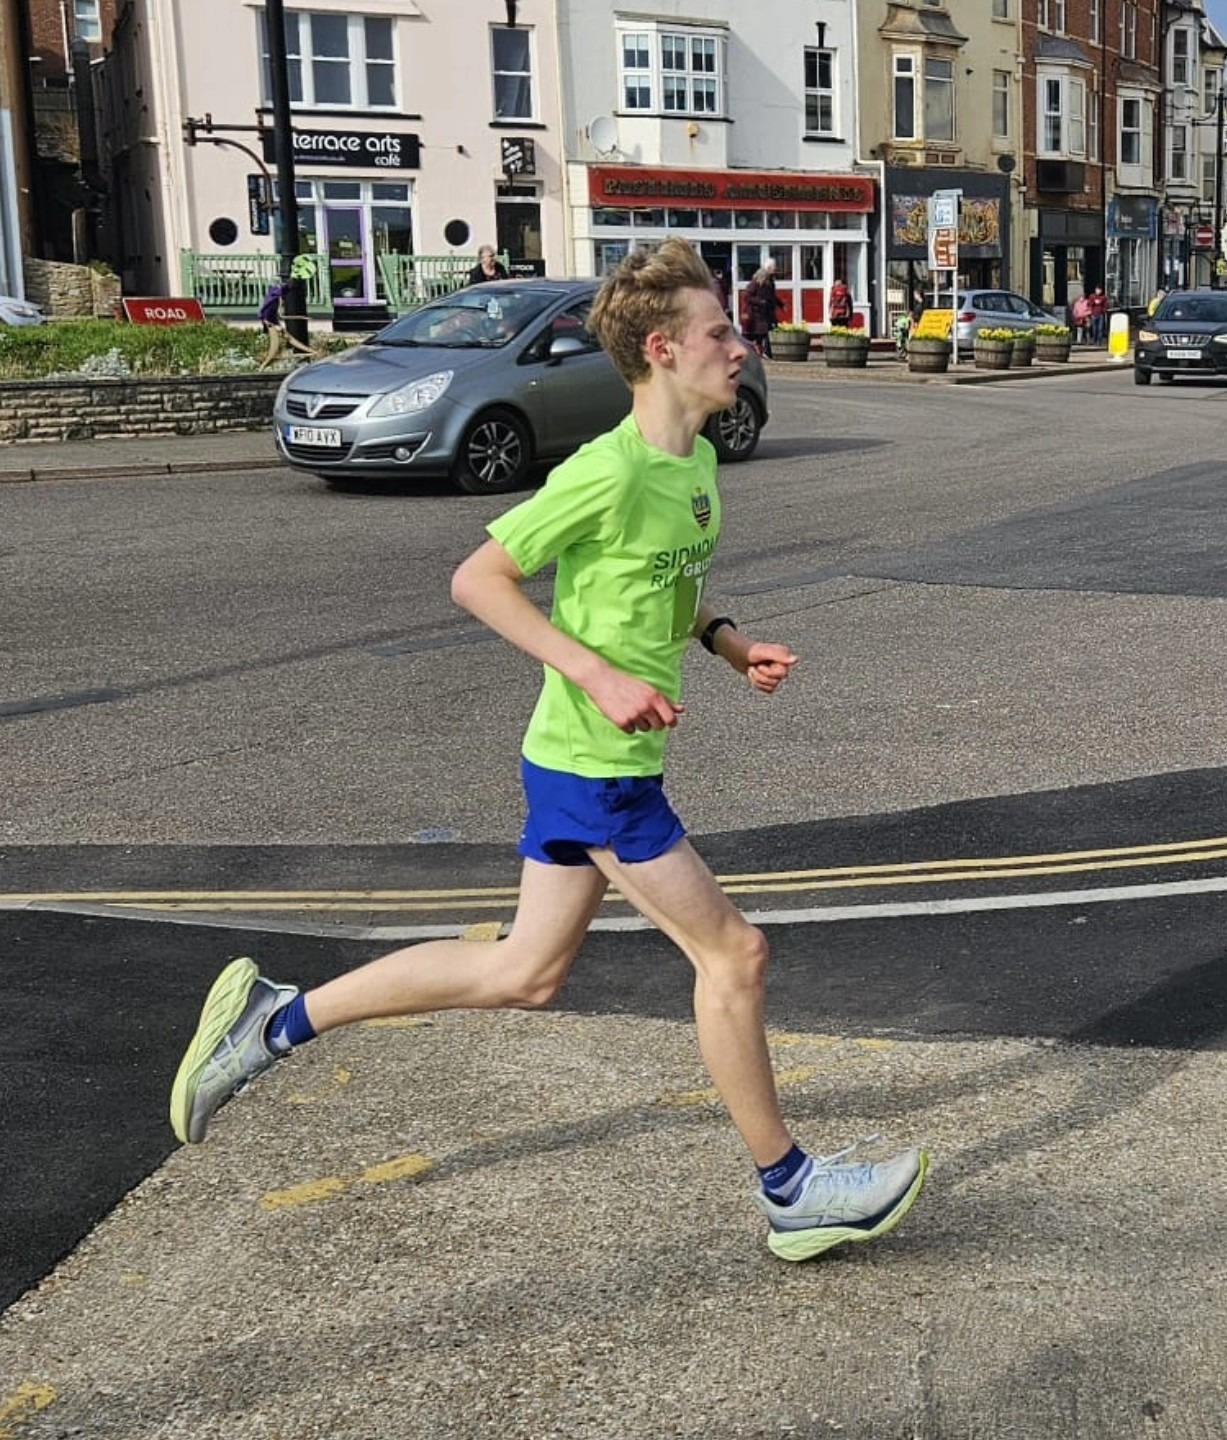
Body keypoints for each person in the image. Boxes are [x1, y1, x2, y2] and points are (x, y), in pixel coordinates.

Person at [169, 235, 929, 1264]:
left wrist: (727, 643)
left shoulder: (694, 461)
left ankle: (274, 1021)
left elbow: (668, 580)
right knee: (734, 954)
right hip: (593, 765)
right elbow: (477, 580)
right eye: (720, 332)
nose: (739, 347)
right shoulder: (603, 473)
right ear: (661, 351)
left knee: (525, 972)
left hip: (594, 760)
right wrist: (599, 675)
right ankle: (792, 1190)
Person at [256, 275, 316, 369]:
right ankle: (262, 367)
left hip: (273, 320)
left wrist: (301, 317)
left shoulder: (278, 298)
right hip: (269, 322)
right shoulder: (273, 294)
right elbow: (265, 311)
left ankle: (311, 351)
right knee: (274, 348)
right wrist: (271, 324)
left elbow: (281, 315)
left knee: (288, 337)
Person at [741, 261, 782, 357]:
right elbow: (747, 296)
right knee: (754, 334)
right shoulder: (756, 281)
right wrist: (760, 301)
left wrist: (781, 304)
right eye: (773, 268)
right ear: (768, 269)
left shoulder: (770, 281)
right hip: (755, 313)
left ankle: (766, 352)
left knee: (767, 331)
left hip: (766, 311)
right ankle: (752, 352)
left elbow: (772, 296)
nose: (775, 270)